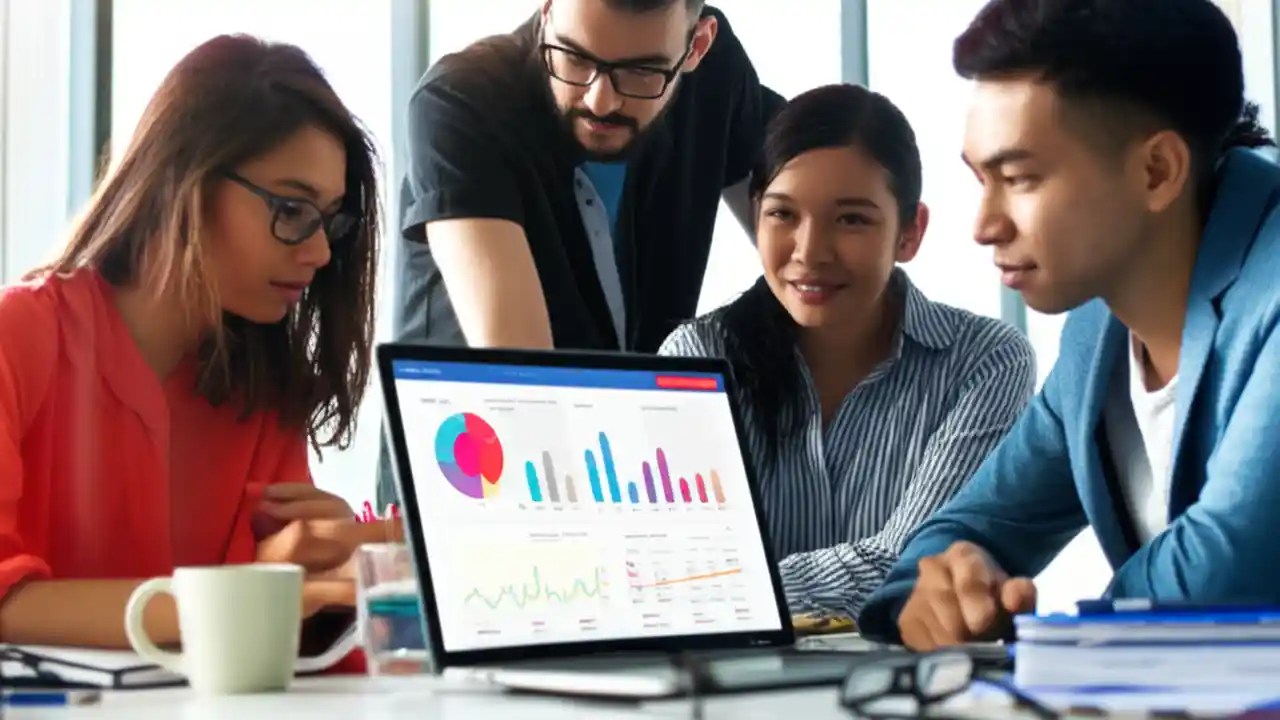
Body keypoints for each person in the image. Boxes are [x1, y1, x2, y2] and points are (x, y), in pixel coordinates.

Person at [857, 0, 1280, 650]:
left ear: (1156, 170)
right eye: (980, 179)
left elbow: (1225, 577)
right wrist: (935, 595)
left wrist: (1048, 643)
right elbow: (976, 524)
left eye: (1019, 178)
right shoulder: (1097, 332)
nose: (983, 225)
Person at [0, 35, 397, 649]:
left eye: (331, 219)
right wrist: (246, 601)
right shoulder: (18, 337)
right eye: (291, 209)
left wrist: (336, 578)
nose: (320, 252)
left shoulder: (259, 388)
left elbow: (281, 628)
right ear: (185, 179)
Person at [379, 0, 784, 506]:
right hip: (470, 479)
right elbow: (526, 381)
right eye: (574, 58)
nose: (600, 99)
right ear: (547, 10)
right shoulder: (461, 102)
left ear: (696, 46)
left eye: (641, 72)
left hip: (619, 471)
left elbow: (809, 233)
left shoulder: (716, 75)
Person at [659, 84, 1036, 619]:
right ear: (754, 213)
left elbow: (914, 566)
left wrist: (727, 587)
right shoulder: (696, 359)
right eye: (783, 215)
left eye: (852, 219)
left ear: (910, 232)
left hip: (905, 691)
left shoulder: (983, 362)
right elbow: (667, 571)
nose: (809, 252)